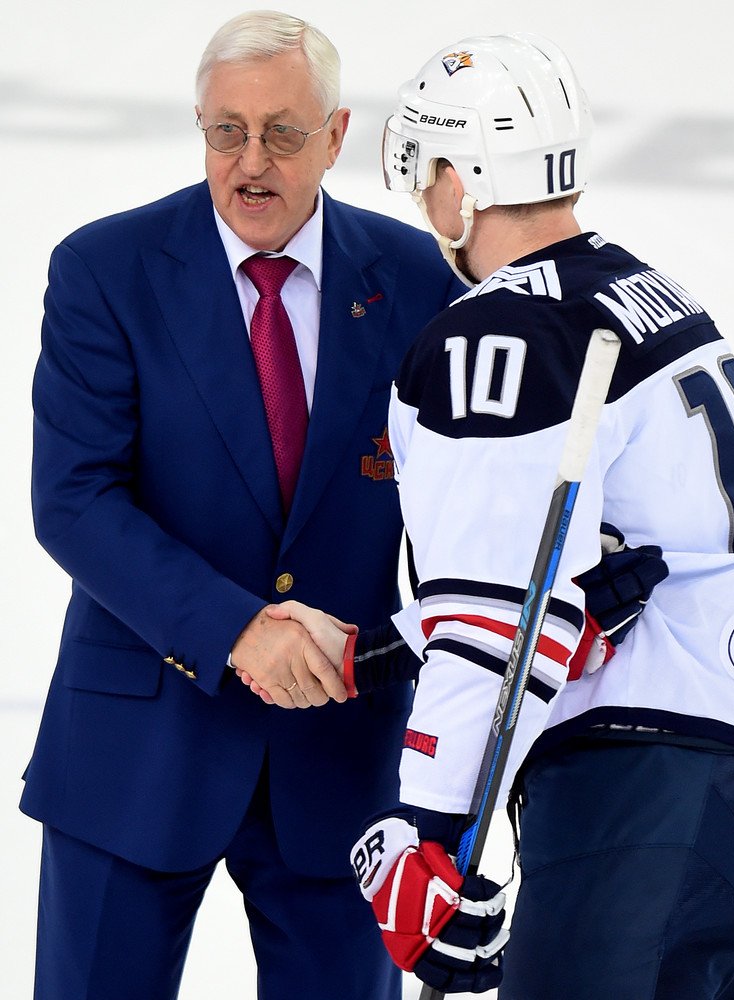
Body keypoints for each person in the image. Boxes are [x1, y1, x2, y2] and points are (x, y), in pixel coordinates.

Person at [336, 32, 734, 999]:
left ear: (460, 177)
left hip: (651, 784)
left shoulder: (494, 335)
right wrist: (389, 645)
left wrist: (427, 834)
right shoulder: (640, 287)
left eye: (427, 170)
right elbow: (604, 566)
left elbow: (498, 617)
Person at [21, 10, 467, 1000]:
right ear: (200, 126)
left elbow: (465, 513)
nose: (250, 161)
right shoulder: (105, 271)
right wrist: (236, 629)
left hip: (344, 765)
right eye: (227, 130)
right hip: (136, 753)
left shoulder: (417, 283)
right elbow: (74, 497)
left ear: (339, 136)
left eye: (282, 132)